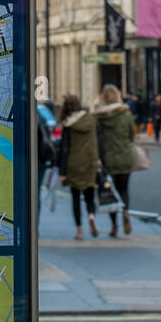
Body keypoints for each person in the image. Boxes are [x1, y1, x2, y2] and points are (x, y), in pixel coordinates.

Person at [93, 84, 135, 238]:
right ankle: (125, 212)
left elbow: (96, 139)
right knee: (124, 190)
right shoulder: (126, 115)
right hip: (124, 157)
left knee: (109, 193)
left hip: (107, 161)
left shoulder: (98, 117)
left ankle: (114, 226)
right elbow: (132, 136)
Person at [58, 94, 100, 240]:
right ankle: (91, 216)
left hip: (73, 164)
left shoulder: (68, 124)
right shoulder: (91, 120)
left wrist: (62, 171)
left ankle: (79, 230)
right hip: (90, 162)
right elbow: (98, 142)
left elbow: (65, 148)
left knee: (75, 198)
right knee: (90, 195)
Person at [36, 100, 57, 211]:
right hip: (41, 159)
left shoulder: (33, 115)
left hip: (33, 159)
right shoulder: (44, 117)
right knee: (36, 191)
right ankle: (35, 224)